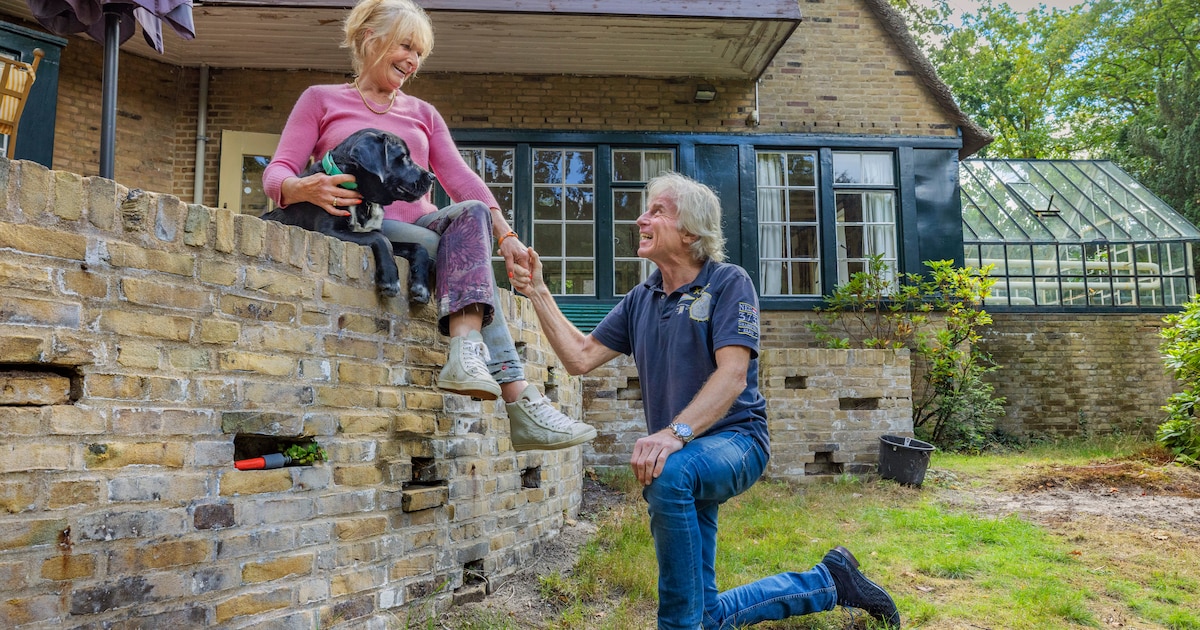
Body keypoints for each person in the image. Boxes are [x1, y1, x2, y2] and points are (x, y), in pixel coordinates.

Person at [509, 172, 901, 629]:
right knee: (707, 612)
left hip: (738, 441)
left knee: (669, 476)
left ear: (691, 231)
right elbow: (579, 358)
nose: (641, 219)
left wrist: (674, 434)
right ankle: (830, 582)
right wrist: (537, 290)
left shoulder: (728, 283)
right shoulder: (642, 298)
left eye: (658, 211)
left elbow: (733, 375)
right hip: (686, 453)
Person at [262, 0, 594, 451]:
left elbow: (461, 180)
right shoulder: (320, 100)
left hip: (423, 230)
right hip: (361, 227)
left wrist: (507, 235)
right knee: (443, 246)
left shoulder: (423, 112)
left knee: (470, 214)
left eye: (420, 52)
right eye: (405, 45)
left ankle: (466, 354)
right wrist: (306, 189)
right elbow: (276, 171)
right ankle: (521, 403)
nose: (413, 61)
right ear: (368, 40)